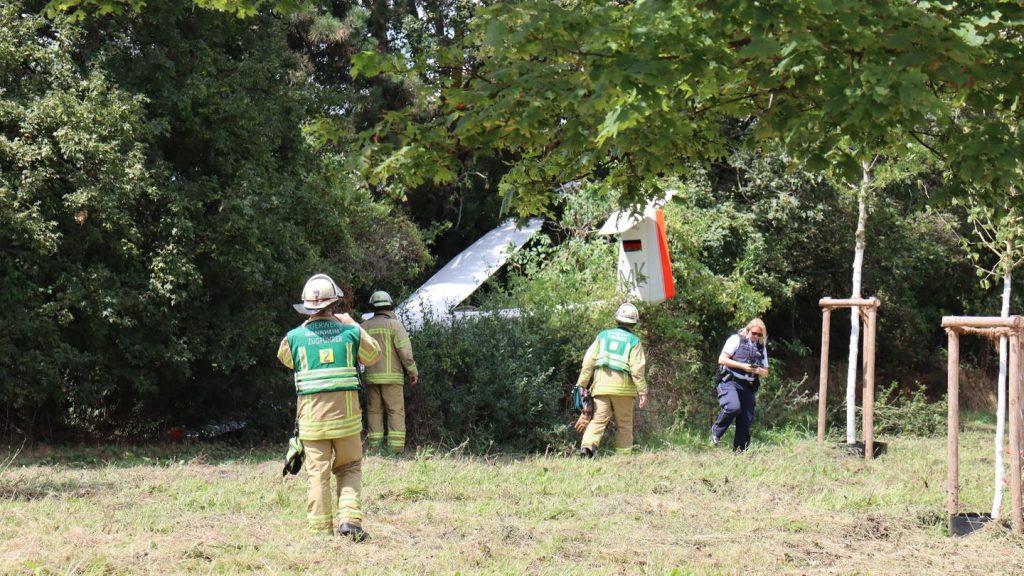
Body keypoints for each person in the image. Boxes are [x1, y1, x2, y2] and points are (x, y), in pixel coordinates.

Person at [277, 274, 381, 540]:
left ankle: (321, 532)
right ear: (334, 303)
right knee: (349, 468)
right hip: (347, 421)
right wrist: (353, 324)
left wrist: (308, 326)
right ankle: (350, 522)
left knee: (317, 475)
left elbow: (286, 360)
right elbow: (373, 355)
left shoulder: (294, 337)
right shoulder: (350, 332)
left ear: (306, 307)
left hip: (312, 423)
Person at [577, 302, 648, 457]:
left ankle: (587, 448)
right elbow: (637, 369)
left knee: (598, 420)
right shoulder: (634, 341)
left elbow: (588, 361)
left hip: (601, 387)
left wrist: (581, 384)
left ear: (617, 319)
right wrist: (643, 391)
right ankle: (623, 457)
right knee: (624, 424)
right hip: (624, 391)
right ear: (634, 323)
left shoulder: (603, 336)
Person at [361, 290, 419, 453]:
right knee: (395, 412)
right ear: (390, 305)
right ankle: (395, 450)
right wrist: (412, 371)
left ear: (372, 306)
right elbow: (405, 352)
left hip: (372, 378)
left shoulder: (364, 326)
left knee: (374, 412)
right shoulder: (395, 325)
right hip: (392, 379)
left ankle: (375, 447)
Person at [711, 318, 769, 452]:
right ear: (748, 330)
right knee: (733, 407)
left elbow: (765, 372)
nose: (756, 336)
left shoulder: (761, 347)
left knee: (746, 418)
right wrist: (742, 366)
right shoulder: (736, 339)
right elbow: (722, 359)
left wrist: (757, 370)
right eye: (754, 333)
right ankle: (716, 432)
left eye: (759, 335)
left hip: (748, 385)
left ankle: (740, 451)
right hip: (730, 381)